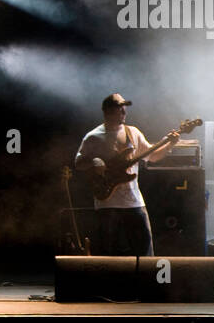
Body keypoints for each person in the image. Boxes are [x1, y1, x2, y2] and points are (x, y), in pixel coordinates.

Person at [74, 94, 179, 256]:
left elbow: (152, 156)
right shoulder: (94, 136)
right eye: (119, 108)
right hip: (107, 201)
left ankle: (145, 279)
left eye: (125, 108)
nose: (124, 112)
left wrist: (169, 143)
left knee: (144, 250)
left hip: (133, 201)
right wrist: (94, 160)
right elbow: (79, 162)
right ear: (107, 111)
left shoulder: (133, 133)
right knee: (108, 251)